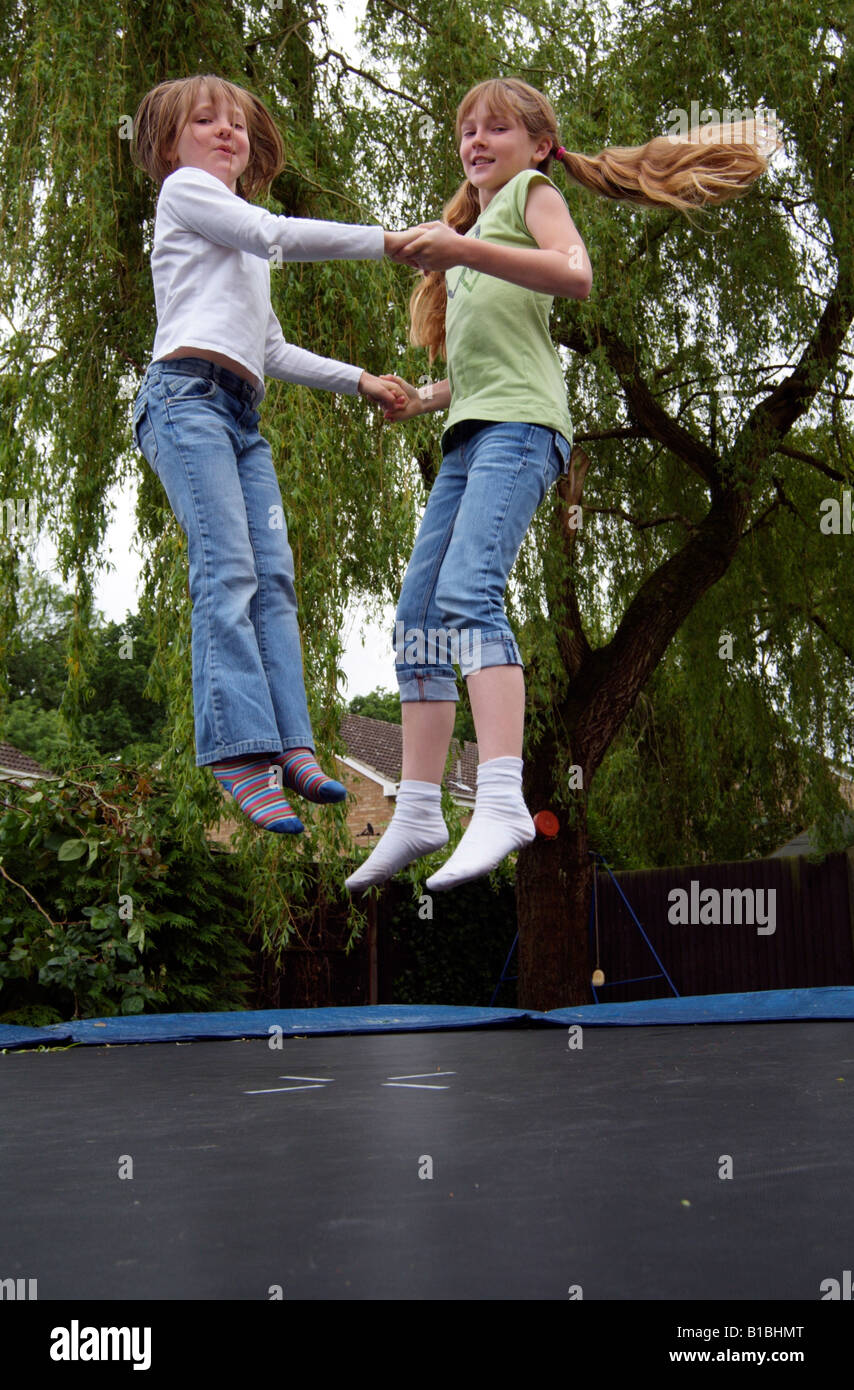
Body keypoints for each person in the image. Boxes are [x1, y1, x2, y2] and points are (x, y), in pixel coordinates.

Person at [345, 77, 778, 892]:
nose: (476, 141)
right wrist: (426, 394)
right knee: (417, 618)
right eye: (466, 131)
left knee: (470, 591)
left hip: (523, 432)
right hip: (472, 430)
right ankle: (417, 808)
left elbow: (575, 274)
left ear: (538, 146)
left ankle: (502, 797)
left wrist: (460, 248)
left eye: (496, 129)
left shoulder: (530, 197)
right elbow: (487, 366)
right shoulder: (475, 234)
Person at [130, 74, 411, 835]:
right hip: (184, 401)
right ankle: (235, 752)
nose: (228, 132)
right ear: (168, 145)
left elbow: (272, 347)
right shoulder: (187, 194)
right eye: (206, 120)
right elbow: (277, 233)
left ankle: (291, 742)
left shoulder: (238, 240)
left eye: (239, 125)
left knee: (275, 580)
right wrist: (388, 243)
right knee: (227, 568)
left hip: (240, 414)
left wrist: (360, 381)